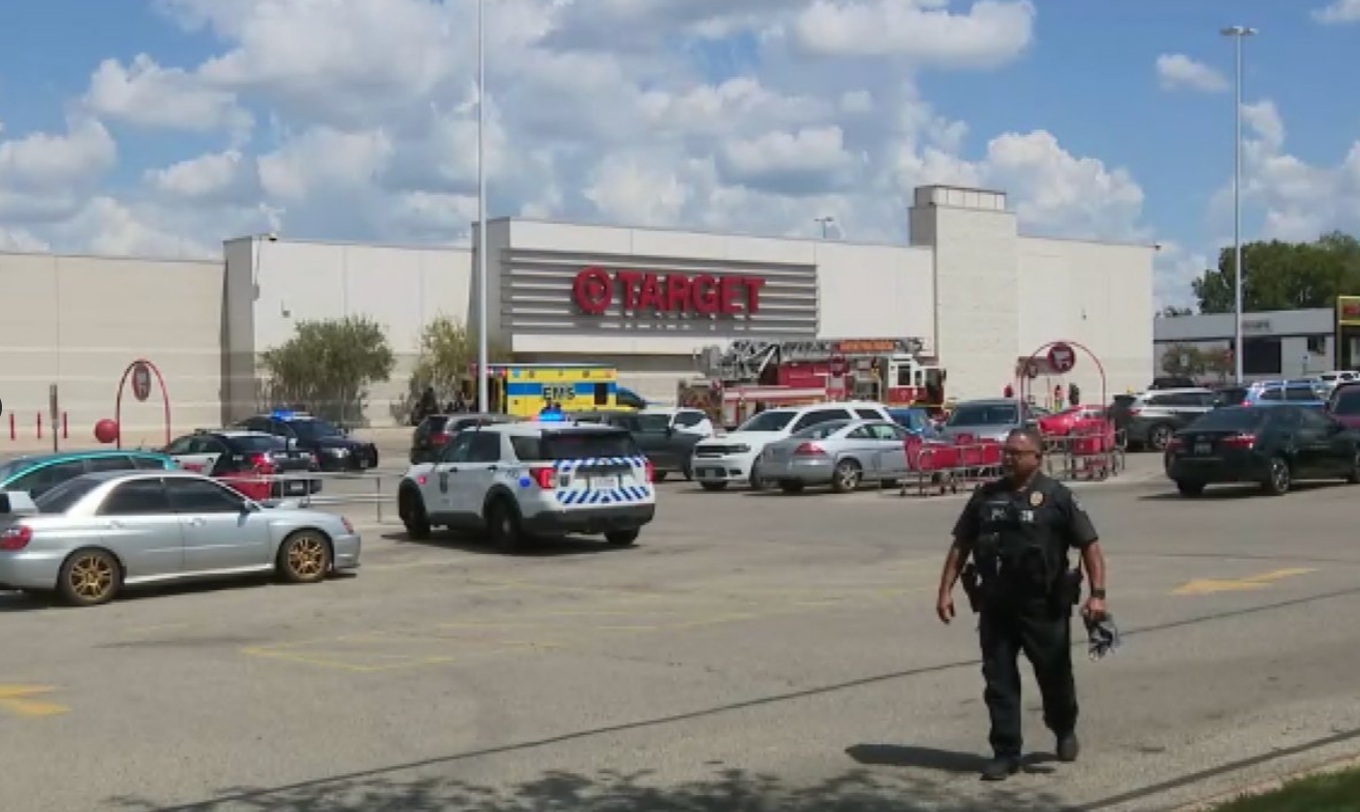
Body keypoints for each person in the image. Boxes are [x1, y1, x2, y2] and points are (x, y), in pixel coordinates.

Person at [935, 426, 1109, 781]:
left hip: (1043, 606)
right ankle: (1006, 752)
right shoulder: (986, 497)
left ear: (1037, 458)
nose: (1008, 458)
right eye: (1006, 452)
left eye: (1016, 453)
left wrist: (1098, 594)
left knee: (1054, 676)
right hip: (997, 605)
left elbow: (1090, 546)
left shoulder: (1057, 496)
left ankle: (1063, 727)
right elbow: (961, 544)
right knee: (998, 680)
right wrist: (945, 590)